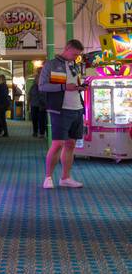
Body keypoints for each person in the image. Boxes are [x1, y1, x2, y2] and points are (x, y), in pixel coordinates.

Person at [39, 39, 85, 189]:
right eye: (74, 54)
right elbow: (43, 86)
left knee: (71, 144)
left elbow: (73, 84)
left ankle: (65, 177)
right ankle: (48, 177)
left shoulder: (75, 65)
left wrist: (79, 87)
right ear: (66, 48)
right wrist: (64, 87)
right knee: (58, 143)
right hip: (60, 110)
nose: (75, 57)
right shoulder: (51, 64)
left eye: (77, 55)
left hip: (77, 108)